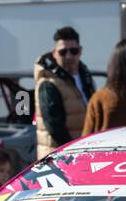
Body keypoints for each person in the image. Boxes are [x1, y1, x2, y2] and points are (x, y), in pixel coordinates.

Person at [33, 26, 96, 156]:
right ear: (54, 53)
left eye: (73, 51)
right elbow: (54, 126)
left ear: (80, 50)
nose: (68, 56)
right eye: (63, 52)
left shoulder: (86, 76)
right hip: (60, 157)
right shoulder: (48, 82)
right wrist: (75, 151)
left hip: (83, 152)